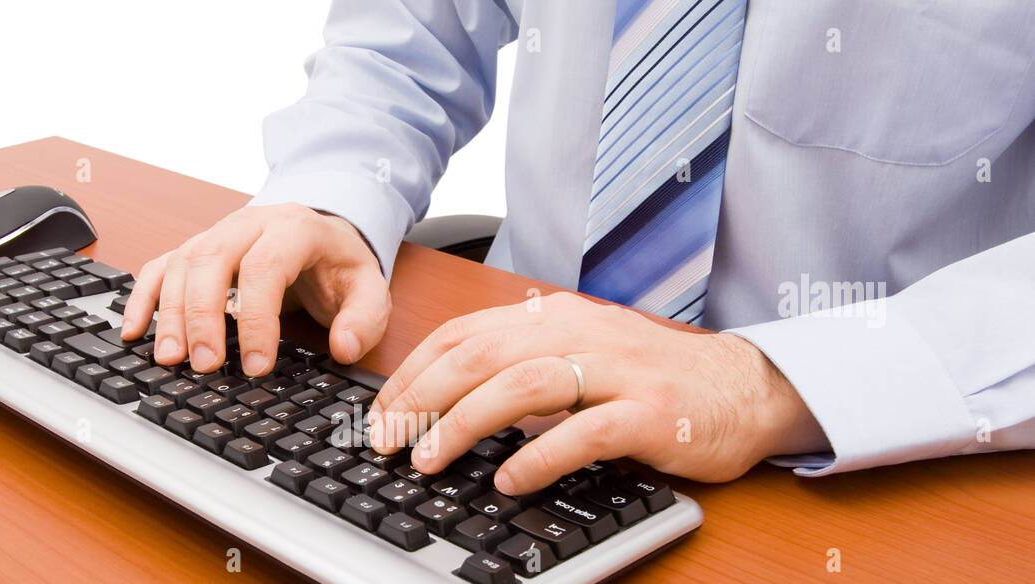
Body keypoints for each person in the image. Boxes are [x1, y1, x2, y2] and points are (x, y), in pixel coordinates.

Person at [120, 0, 1035, 494]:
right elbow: (417, 30)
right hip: (492, 402)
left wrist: (766, 383)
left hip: (860, 458)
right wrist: (331, 193)